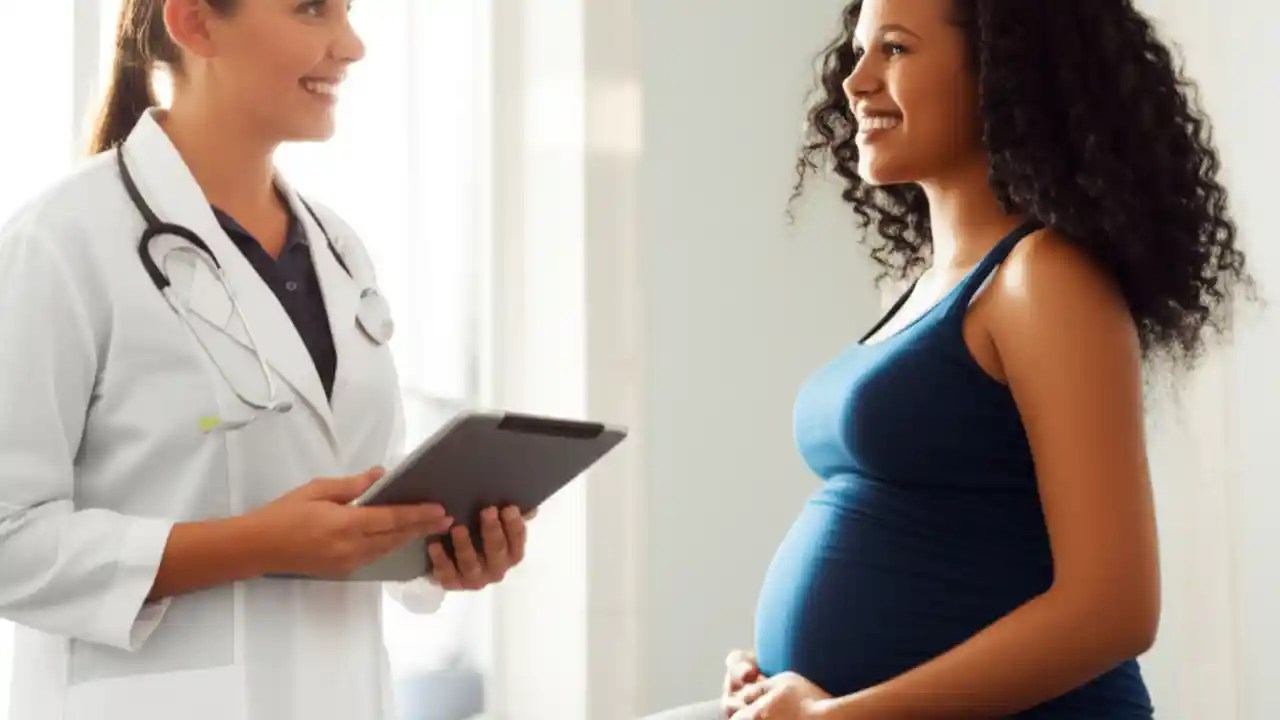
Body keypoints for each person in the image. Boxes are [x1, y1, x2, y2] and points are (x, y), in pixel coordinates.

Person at [649, 1, 1251, 718]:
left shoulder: (1043, 280)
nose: (854, 80)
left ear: (1000, 73)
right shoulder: (923, 288)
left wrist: (834, 716)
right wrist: (781, 678)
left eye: (895, 50)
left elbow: (1116, 610)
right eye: (860, 49)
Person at [0, 1, 530, 718]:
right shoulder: (59, 243)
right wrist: (256, 544)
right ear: (194, 21)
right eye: (312, 10)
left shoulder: (338, 250)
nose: (352, 45)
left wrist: (440, 546)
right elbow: (8, 539)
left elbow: (360, 493)